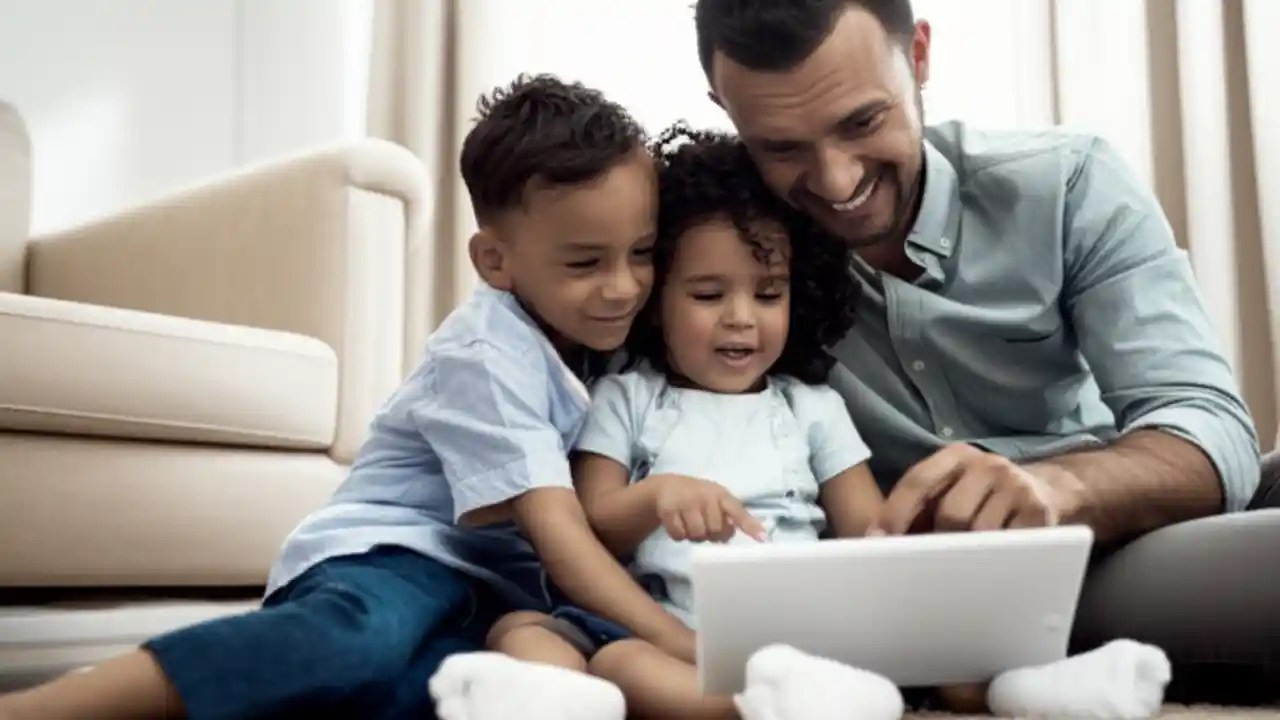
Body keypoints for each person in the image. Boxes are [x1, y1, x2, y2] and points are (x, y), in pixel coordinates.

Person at [0, 74, 690, 720]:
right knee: (355, 644)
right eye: (585, 263)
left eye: (642, 252)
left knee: (428, 690)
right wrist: (685, 644)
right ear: (495, 262)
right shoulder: (485, 354)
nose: (625, 286)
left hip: (491, 591)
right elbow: (562, 539)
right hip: (391, 556)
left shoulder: (607, 342)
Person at [427, 125, 1175, 720]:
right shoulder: (630, 398)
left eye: (768, 292)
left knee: (951, 661)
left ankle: (1035, 690)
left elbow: (869, 534)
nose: (741, 321)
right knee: (582, 653)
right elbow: (591, 520)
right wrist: (655, 499)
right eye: (709, 293)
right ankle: (705, 705)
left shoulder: (811, 407)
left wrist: (932, 584)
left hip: (804, 632)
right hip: (663, 626)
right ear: (659, 300)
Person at [693, 0, 1280, 705]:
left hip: (1121, 512)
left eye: (862, 123)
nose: (837, 181)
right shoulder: (731, 258)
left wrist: (1058, 488)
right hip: (997, 587)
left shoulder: (1065, 182)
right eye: (781, 148)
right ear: (727, 111)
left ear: (918, 57)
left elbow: (1210, 426)